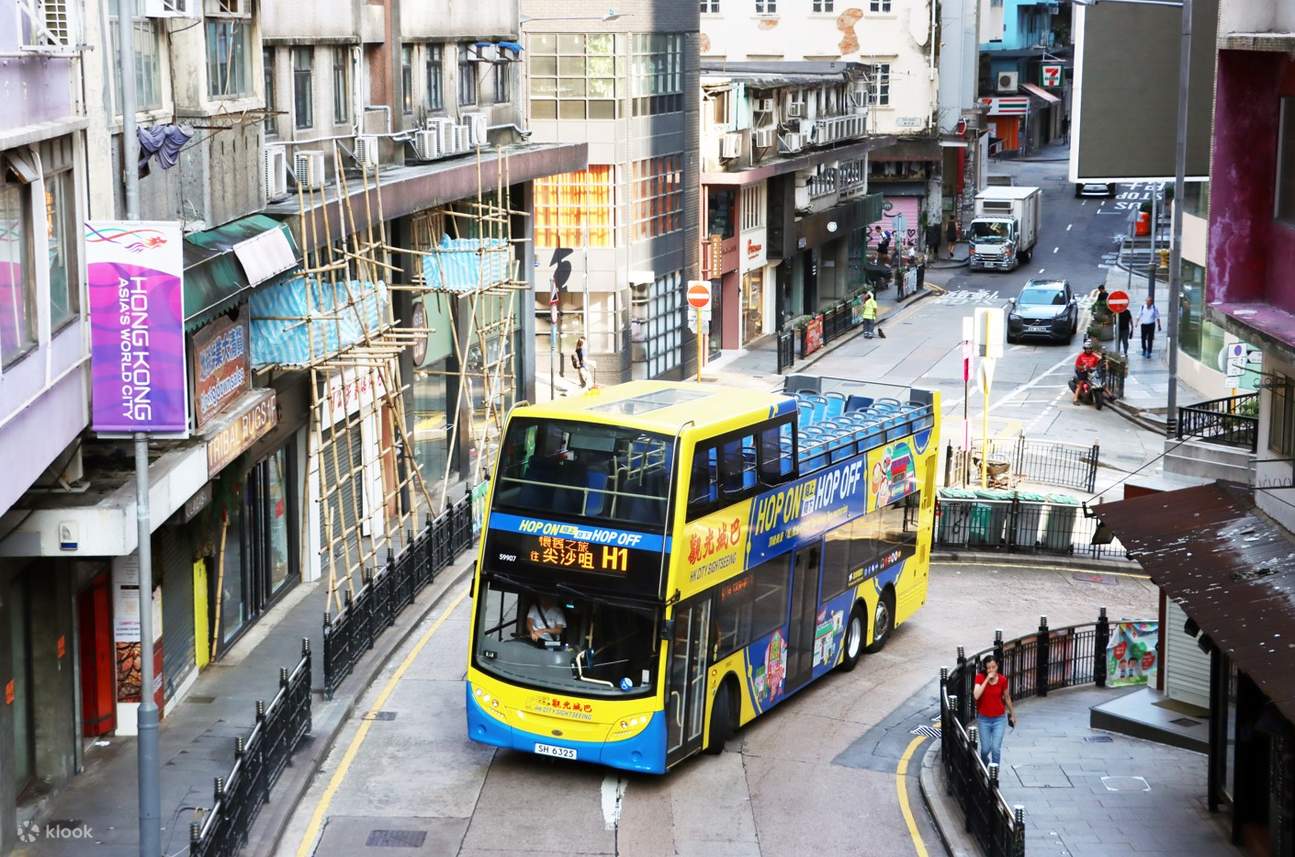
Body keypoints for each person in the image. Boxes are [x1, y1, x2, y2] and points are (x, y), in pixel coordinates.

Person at [973, 654, 1016, 766]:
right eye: (988, 668)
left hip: (999, 719)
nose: (991, 670)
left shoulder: (1002, 680)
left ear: (997, 666)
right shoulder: (980, 677)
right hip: (984, 720)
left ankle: (994, 776)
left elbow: (1007, 697)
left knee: (996, 749)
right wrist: (987, 679)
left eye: (993, 667)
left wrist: (1012, 714)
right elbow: (976, 696)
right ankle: (985, 764)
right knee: (985, 750)